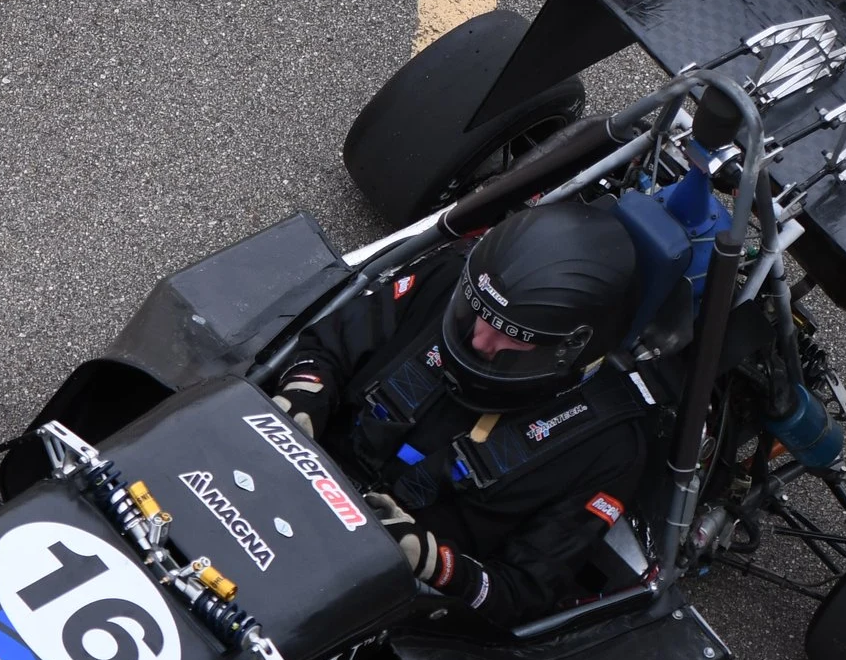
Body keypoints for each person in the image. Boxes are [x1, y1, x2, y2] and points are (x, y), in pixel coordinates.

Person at [273, 200, 657, 625]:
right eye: (475, 311)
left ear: (569, 350)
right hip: (294, 480)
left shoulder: (608, 446)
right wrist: (304, 394)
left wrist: (438, 564)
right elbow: (328, 346)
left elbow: (525, 593)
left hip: (379, 584)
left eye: (511, 338)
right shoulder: (453, 277)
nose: (477, 338)